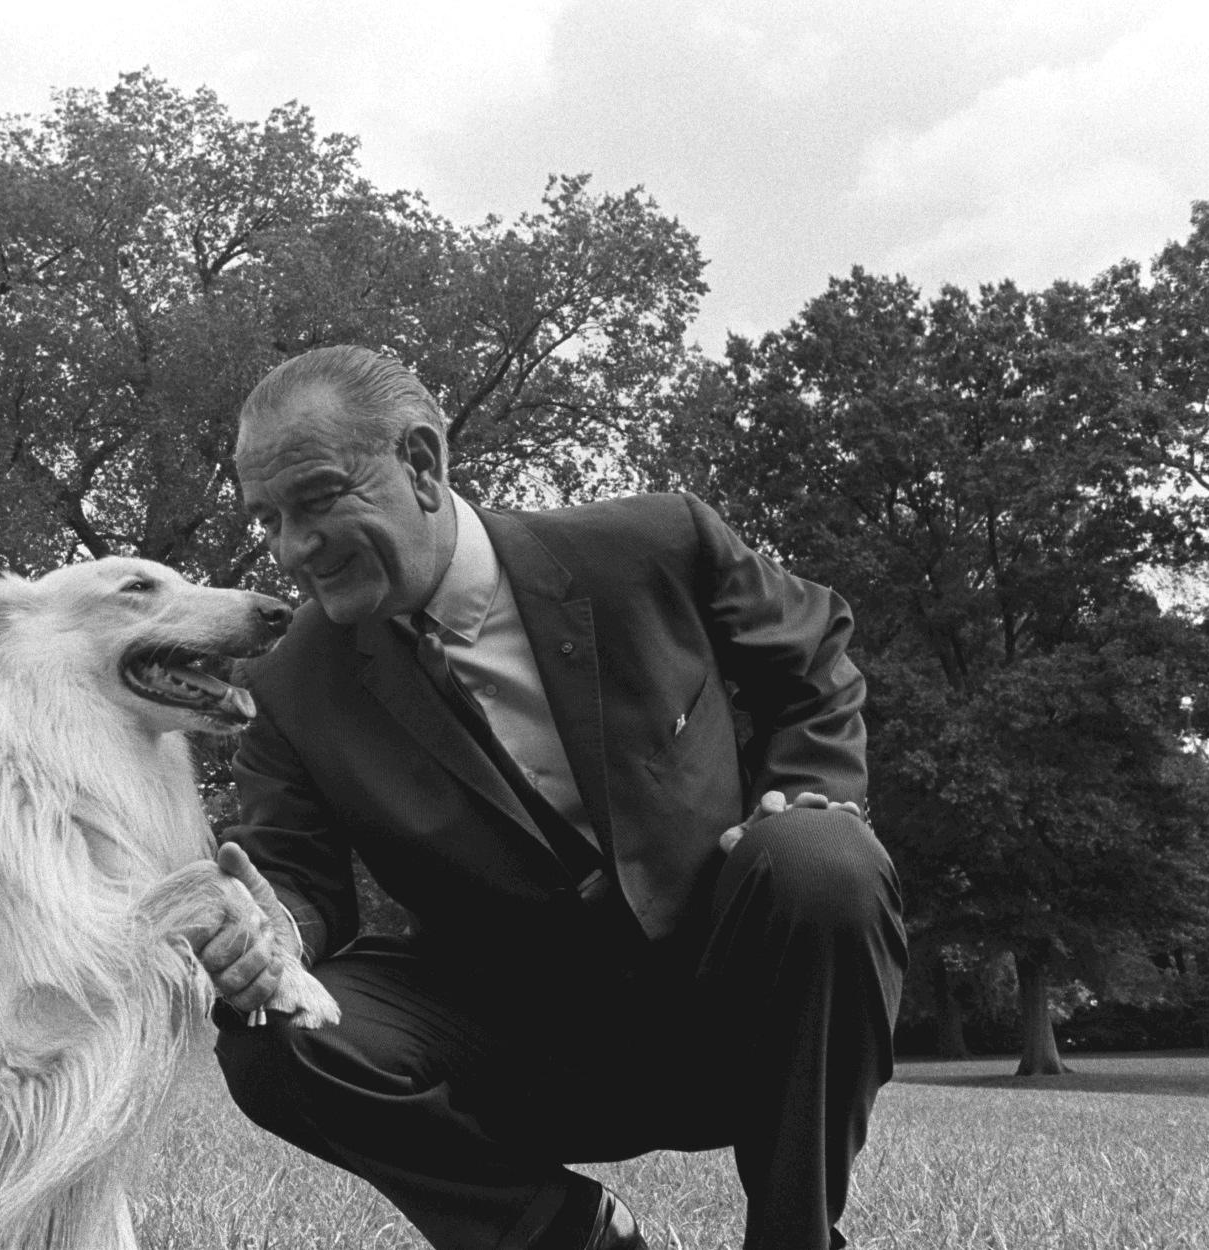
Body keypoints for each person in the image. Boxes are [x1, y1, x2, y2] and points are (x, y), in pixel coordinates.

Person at [197, 346, 907, 1250]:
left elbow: (811, 659)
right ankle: (573, 1240)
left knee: (823, 860)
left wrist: (808, 791)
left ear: (421, 463)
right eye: (267, 521)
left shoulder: (657, 543)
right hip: (530, 1047)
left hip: (740, 1007)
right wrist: (270, 936)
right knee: (274, 1033)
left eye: (318, 499)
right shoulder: (292, 686)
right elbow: (292, 876)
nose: (293, 549)